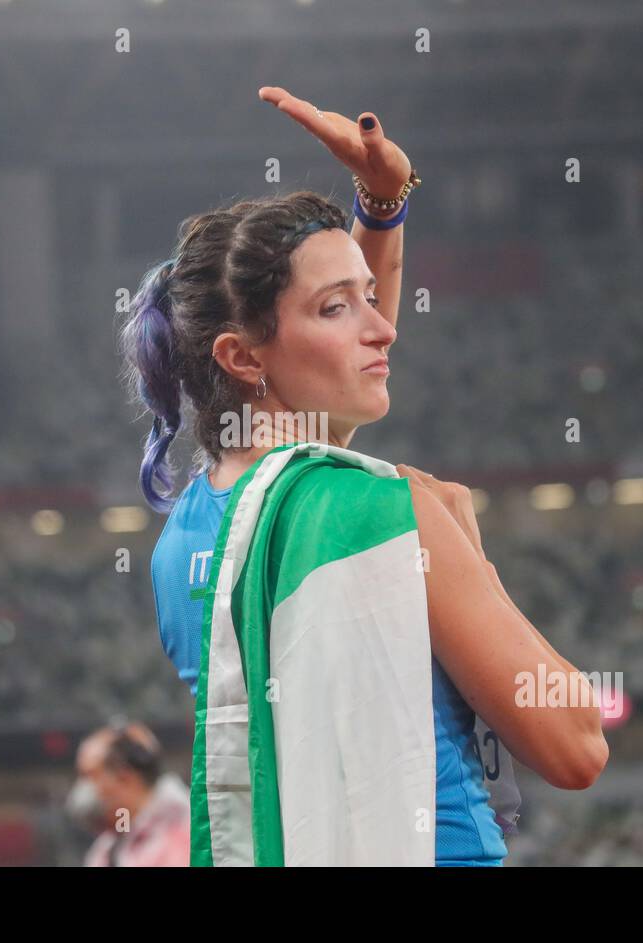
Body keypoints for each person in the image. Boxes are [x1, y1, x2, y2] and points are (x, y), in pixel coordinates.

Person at [119, 87, 607, 865]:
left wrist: (382, 208)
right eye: (338, 308)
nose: (381, 329)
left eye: (370, 299)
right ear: (243, 357)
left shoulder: (183, 542)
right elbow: (577, 745)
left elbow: (319, 392)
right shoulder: (389, 512)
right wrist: (465, 552)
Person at [66, 719, 189, 867]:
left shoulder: (187, 833)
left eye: (90, 776)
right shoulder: (110, 845)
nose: (83, 788)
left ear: (125, 777)